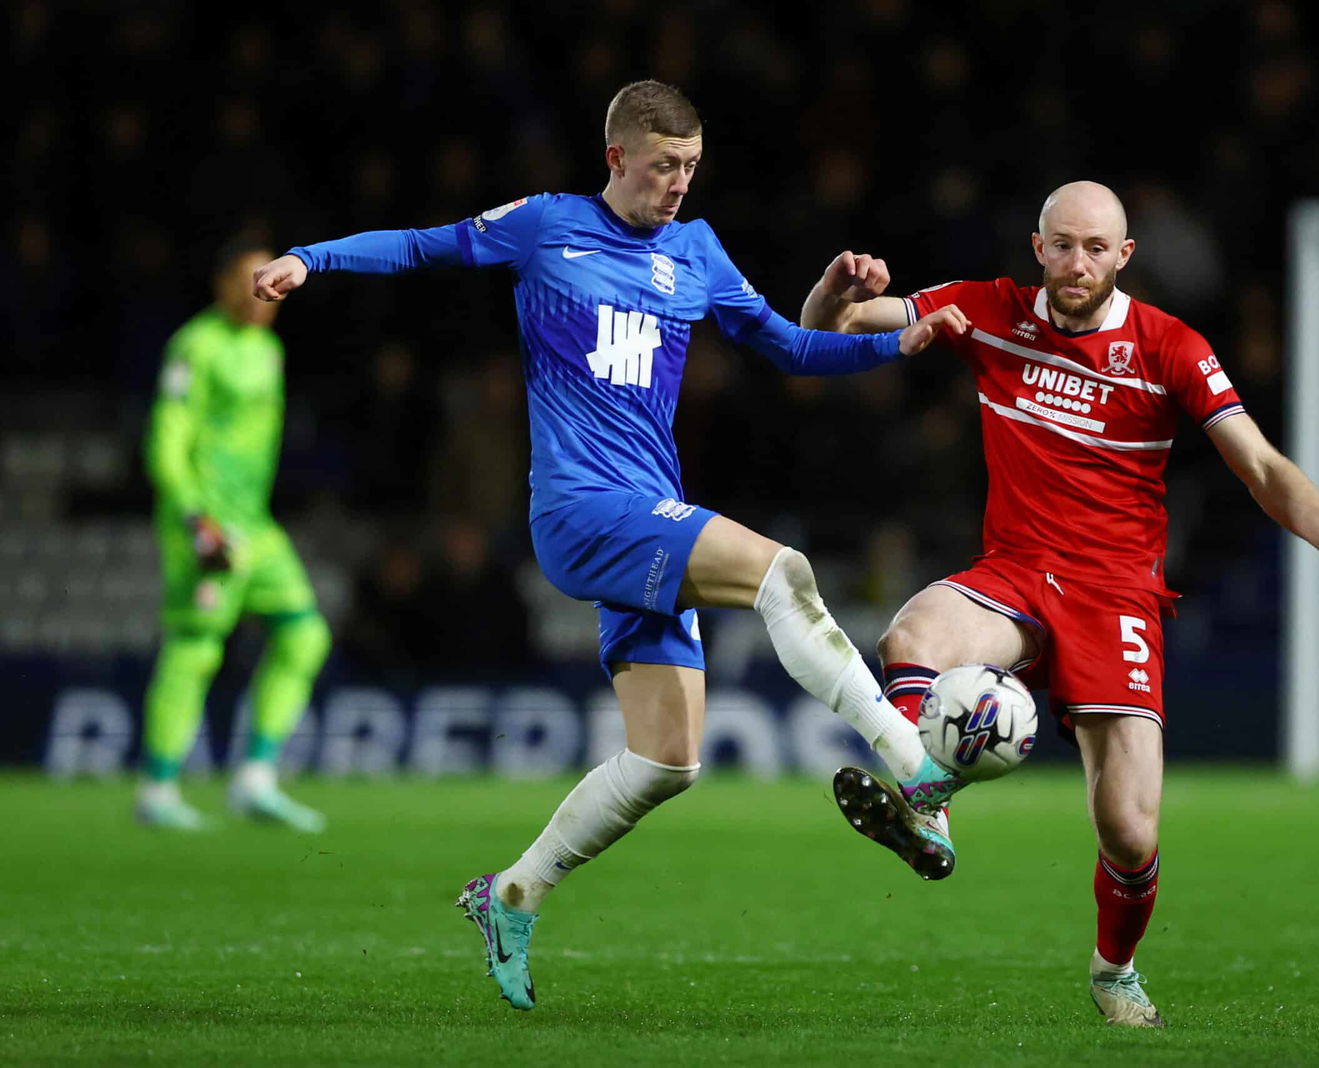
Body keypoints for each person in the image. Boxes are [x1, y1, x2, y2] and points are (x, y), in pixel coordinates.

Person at [250, 80, 970, 1011]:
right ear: (617, 158)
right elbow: (422, 246)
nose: (679, 184)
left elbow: (791, 350)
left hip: (647, 518)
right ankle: (913, 764)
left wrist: (898, 341)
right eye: (665, 165)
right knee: (780, 570)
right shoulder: (546, 225)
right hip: (581, 511)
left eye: (692, 168)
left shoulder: (697, 251)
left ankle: (511, 894)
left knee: (669, 760)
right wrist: (311, 259)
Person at [800, 181, 1319, 1028]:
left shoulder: (1170, 347)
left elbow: (1257, 464)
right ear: (1037, 247)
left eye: (1095, 249)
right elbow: (825, 339)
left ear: (1125, 257)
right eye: (1063, 245)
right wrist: (834, 293)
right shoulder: (989, 310)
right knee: (912, 632)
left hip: (1116, 595)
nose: (1078, 263)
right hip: (1017, 572)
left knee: (1129, 831)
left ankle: (1115, 971)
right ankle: (928, 803)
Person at [137, 237, 332, 833]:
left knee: (305, 637)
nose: (265, 293)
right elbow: (166, 441)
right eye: (253, 281)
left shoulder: (267, 348)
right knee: (195, 648)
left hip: (256, 527)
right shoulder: (197, 346)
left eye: (273, 282)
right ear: (223, 284)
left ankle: (254, 779)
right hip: (210, 526)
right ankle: (158, 788)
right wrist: (195, 518)